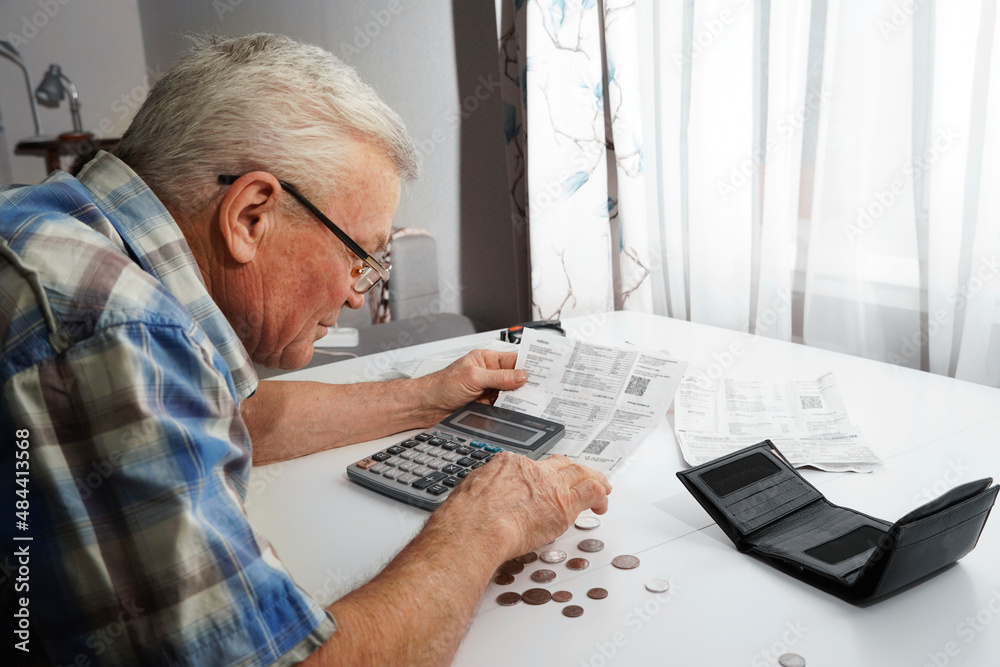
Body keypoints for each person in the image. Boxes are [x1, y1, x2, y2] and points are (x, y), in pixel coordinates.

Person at [0, 33, 611, 665]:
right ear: (250, 217)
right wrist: (488, 523)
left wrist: (427, 398)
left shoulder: (48, 224)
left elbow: (237, 416)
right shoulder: (114, 332)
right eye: (359, 256)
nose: (355, 295)